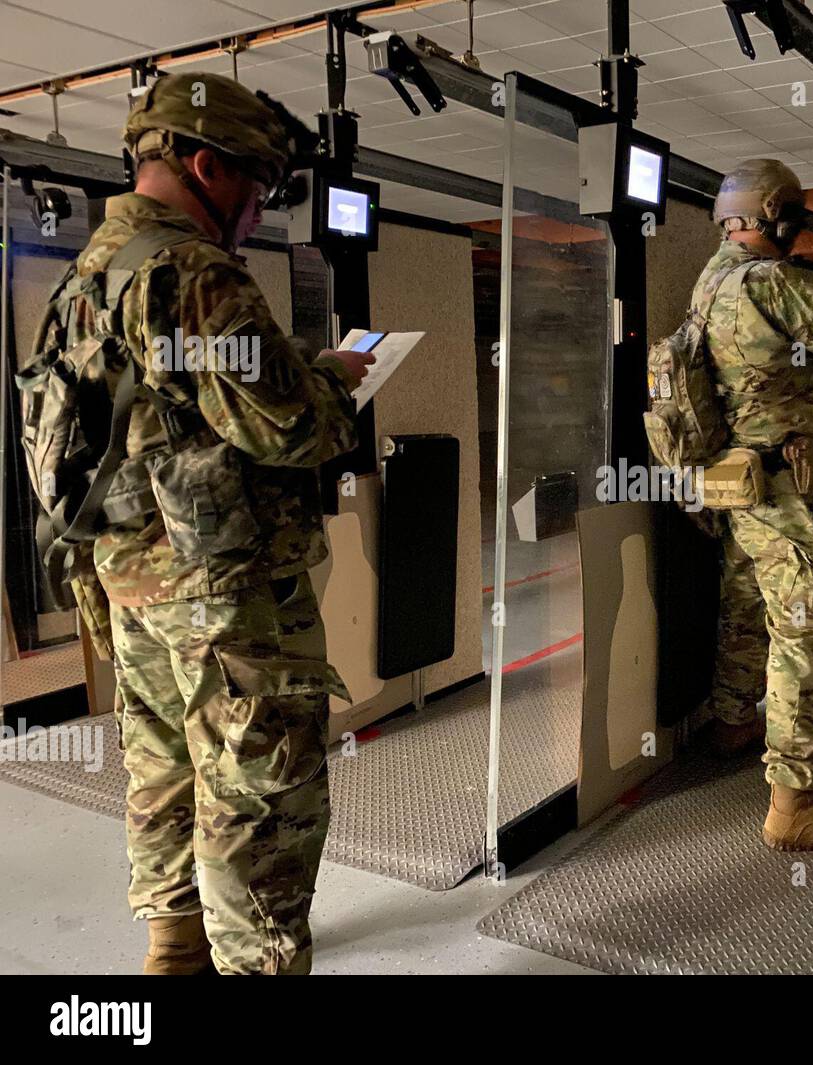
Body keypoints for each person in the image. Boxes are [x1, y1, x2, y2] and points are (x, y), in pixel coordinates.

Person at [27, 71, 375, 973]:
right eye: (253, 190)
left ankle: (173, 944)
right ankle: (257, 956)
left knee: (161, 762)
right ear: (202, 163)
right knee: (259, 783)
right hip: (218, 588)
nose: (257, 213)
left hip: (125, 571)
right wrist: (335, 375)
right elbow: (289, 426)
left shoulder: (86, 275)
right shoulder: (192, 268)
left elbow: (164, 407)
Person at [698, 158, 813, 851]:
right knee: (806, 629)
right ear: (774, 215)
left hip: (734, 482)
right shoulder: (770, 281)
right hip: (779, 481)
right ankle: (794, 803)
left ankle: (732, 721)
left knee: (746, 600)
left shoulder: (708, 282)